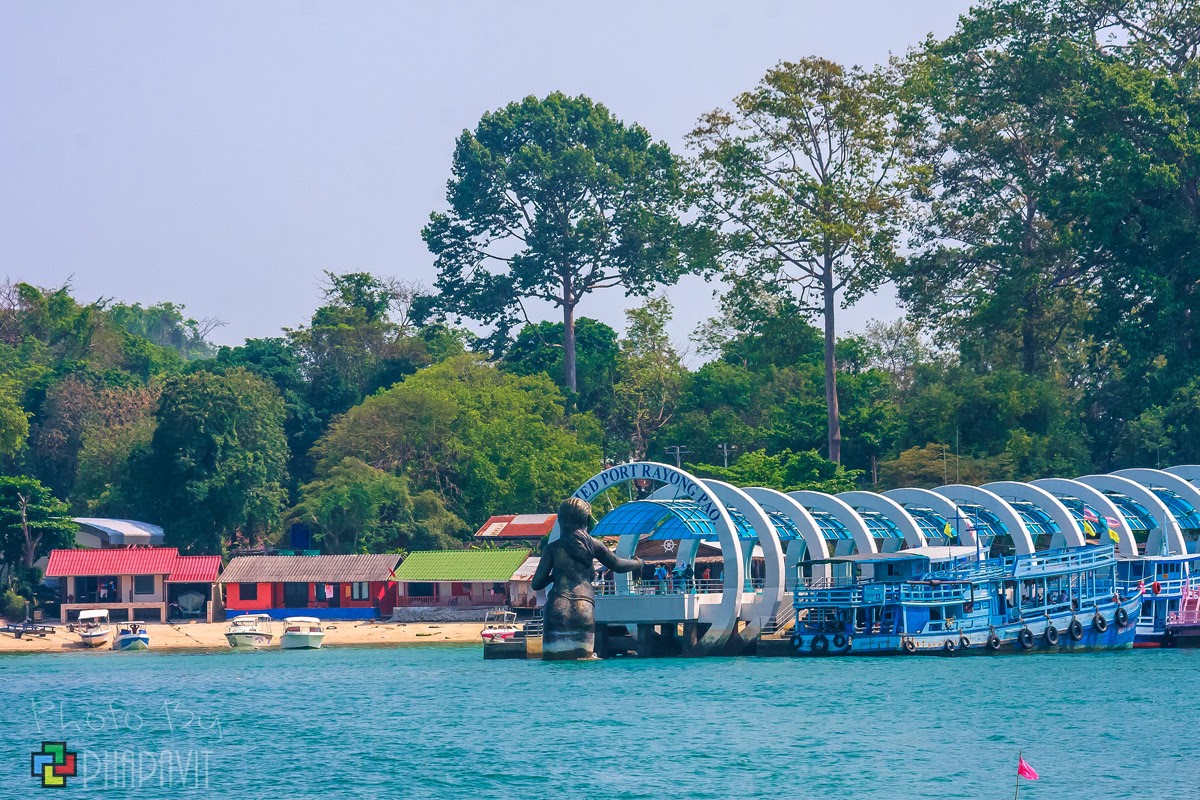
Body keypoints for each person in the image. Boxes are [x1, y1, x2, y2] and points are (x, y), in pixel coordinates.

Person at [531, 497, 644, 660]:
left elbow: (536, 583)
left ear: (561, 520)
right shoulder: (593, 545)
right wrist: (639, 563)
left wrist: (553, 577)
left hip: (556, 605)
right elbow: (618, 565)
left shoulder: (552, 548)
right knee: (583, 660)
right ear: (586, 519)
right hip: (583, 605)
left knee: (554, 662)